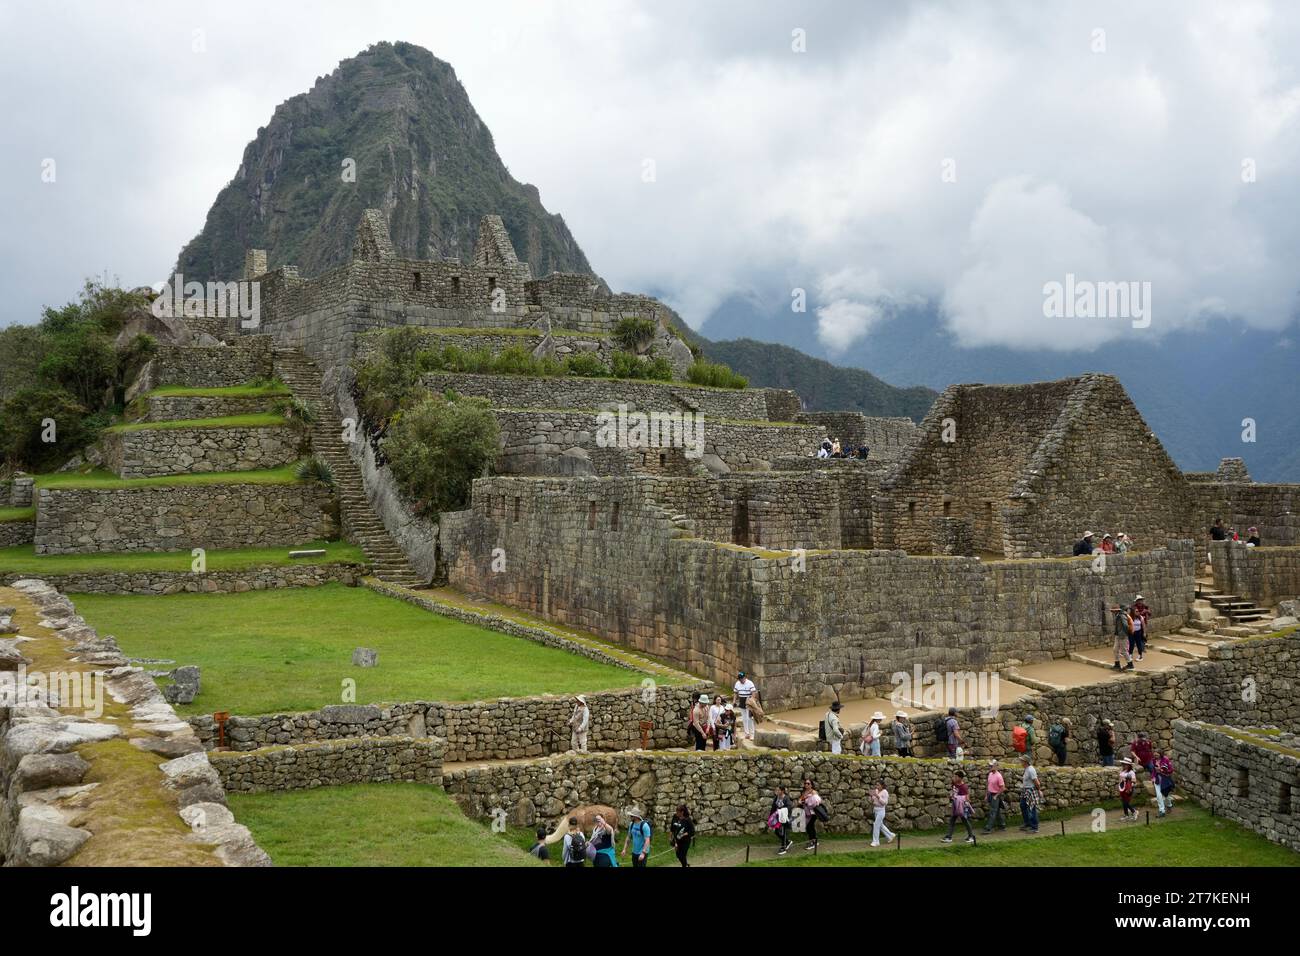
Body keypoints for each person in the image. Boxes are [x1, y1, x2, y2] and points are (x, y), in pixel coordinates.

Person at [941, 769, 976, 844]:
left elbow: (967, 796)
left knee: (965, 820)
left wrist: (966, 806)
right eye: (954, 776)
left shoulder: (964, 787)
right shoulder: (954, 783)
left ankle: (971, 836)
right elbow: (953, 791)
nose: (955, 778)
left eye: (956, 777)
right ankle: (949, 837)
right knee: (952, 820)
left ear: (960, 778)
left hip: (961, 805)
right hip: (955, 804)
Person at [1018, 753, 1042, 833]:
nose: (1020, 762)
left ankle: (1034, 827)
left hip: (1030, 791)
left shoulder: (1031, 770)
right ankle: (1027, 823)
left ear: (1025, 762)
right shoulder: (1026, 769)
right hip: (1025, 791)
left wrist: (1039, 790)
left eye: (1021, 761)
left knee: (1032, 808)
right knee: (1023, 805)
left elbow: (1037, 782)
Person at [798, 778, 824, 850]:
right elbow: (800, 800)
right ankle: (814, 840)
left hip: (813, 813)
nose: (806, 784)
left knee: (810, 826)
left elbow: (818, 801)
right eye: (805, 783)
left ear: (811, 785)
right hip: (807, 812)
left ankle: (812, 842)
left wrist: (808, 801)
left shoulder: (813, 792)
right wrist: (801, 801)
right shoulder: (804, 792)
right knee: (810, 826)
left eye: (808, 783)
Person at [982, 759, 1007, 833]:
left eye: (991, 766)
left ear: (996, 766)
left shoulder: (999, 776)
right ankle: (1002, 825)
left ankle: (988, 828)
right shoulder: (990, 774)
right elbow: (988, 785)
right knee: (997, 811)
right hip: (990, 794)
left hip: (996, 795)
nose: (990, 767)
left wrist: (996, 796)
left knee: (993, 811)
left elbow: (1003, 788)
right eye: (989, 765)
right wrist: (986, 795)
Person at [870, 781, 896, 846]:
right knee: (880, 825)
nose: (877, 786)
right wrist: (872, 797)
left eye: (878, 785)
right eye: (876, 785)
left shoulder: (885, 792)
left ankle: (876, 841)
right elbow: (873, 800)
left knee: (876, 825)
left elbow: (885, 803)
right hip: (875, 810)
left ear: (882, 786)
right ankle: (890, 835)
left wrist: (878, 797)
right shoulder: (876, 790)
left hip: (881, 811)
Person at [733, 671, 758, 740]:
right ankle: (746, 733)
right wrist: (734, 701)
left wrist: (752, 701)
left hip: (748, 701)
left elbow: (753, 692)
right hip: (741, 701)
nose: (740, 680)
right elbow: (735, 693)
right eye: (739, 678)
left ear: (744, 677)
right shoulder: (737, 683)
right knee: (744, 718)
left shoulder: (749, 683)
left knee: (749, 718)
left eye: (741, 678)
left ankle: (752, 734)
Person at [770, 785, 793, 855]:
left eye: (778, 790)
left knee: (783, 832)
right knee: (777, 832)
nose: (777, 791)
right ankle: (787, 842)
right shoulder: (776, 797)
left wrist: (782, 811)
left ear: (782, 791)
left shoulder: (786, 798)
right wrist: (771, 816)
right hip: (778, 818)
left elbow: (789, 806)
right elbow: (773, 807)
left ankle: (783, 848)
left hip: (784, 818)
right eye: (777, 790)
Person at [1112, 605, 1134, 671]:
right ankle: (1117, 663)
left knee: (1124, 650)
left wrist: (1125, 633)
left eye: (1113, 610)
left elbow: (1125, 625)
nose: (1112, 612)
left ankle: (1130, 664)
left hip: (1122, 635)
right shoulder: (1118, 615)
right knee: (1115, 649)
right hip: (1118, 635)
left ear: (1116, 610)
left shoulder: (1122, 616)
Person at [1153, 750, 1175, 817]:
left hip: (1165, 779)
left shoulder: (1166, 760)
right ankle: (1162, 811)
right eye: (1154, 755)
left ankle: (1169, 805)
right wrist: (1153, 777)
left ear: (1160, 754)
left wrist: (1163, 770)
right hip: (1157, 779)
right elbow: (1153, 770)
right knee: (1159, 795)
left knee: (1166, 794)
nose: (1155, 756)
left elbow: (1171, 769)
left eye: (1157, 755)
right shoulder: (1153, 760)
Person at [1130, 594, 1151, 662]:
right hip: (1135, 625)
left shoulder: (1145, 606)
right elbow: (1133, 614)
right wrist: (1142, 612)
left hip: (1143, 623)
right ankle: (1131, 653)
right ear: (1136, 601)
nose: (1140, 602)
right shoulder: (1134, 607)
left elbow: (1150, 613)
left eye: (1141, 600)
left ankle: (1142, 648)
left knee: (1143, 636)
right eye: (1138, 600)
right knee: (1132, 641)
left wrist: (1147, 611)